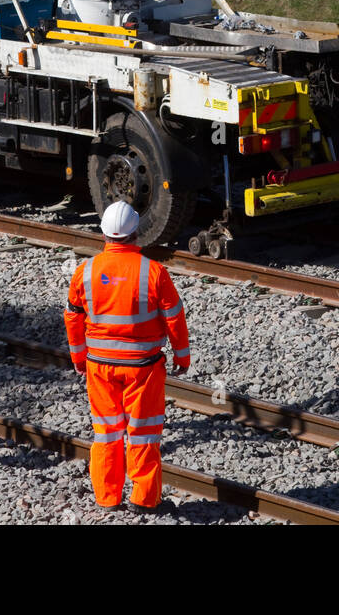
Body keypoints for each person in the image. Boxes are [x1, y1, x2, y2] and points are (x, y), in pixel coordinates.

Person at [64, 200, 190, 512]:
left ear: (104, 234)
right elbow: (174, 316)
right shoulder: (154, 272)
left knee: (106, 432)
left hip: (99, 368)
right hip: (143, 369)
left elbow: (73, 318)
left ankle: (107, 498)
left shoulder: (86, 271)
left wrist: (79, 358)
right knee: (143, 431)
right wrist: (182, 356)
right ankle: (143, 499)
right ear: (137, 233)